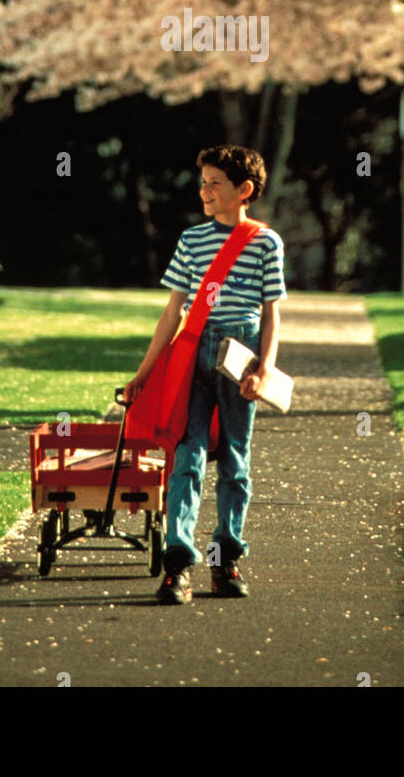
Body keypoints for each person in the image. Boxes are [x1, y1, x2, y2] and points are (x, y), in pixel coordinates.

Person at [123, 144, 286, 604]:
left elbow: (272, 315)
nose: (205, 191)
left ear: (245, 190)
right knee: (186, 455)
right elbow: (172, 313)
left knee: (236, 460)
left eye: (216, 183)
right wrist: (143, 373)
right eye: (203, 182)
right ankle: (177, 565)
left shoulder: (265, 243)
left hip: (243, 357)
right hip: (193, 354)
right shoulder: (192, 241)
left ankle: (225, 560)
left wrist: (265, 368)